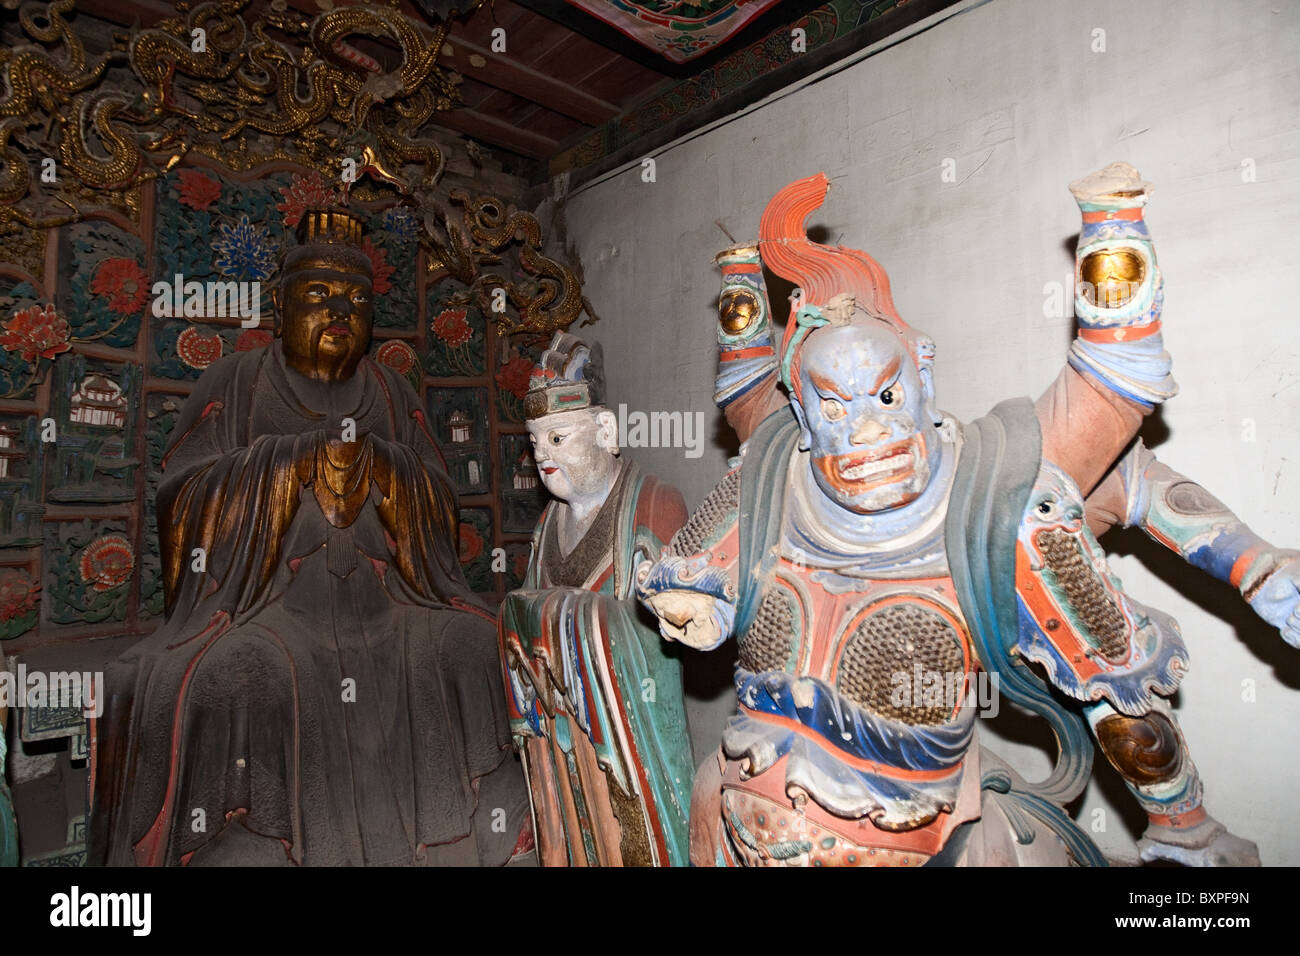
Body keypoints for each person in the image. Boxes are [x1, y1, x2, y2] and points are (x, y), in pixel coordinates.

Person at [637, 164, 1276, 866]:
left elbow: (1127, 468)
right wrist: (696, 599)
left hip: (902, 830)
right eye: (832, 407)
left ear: (923, 376)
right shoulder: (768, 480)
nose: (866, 432)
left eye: (885, 398)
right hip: (733, 810)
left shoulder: (991, 504)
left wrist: (1256, 565)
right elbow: (693, 568)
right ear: (801, 412)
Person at [90, 208, 530, 866]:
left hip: (389, 608)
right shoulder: (234, 382)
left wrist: (390, 469)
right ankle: (252, 846)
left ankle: (474, 840)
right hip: (268, 607)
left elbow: (442, 502)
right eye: (319, 296)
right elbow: (179, 497)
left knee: (472, 645)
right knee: (241, 675)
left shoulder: (390, 389)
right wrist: (285, 464)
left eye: (356, 298)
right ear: (282, 304)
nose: (340, 311)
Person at [499, 333, 694, 865]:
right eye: (536, 443)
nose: (543, 456)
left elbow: (665, 634)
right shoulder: (547, 525)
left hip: (632, 736)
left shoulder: (652, 505)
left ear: (605, 430)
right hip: (563, 732)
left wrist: (571, 619)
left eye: (558, 438)